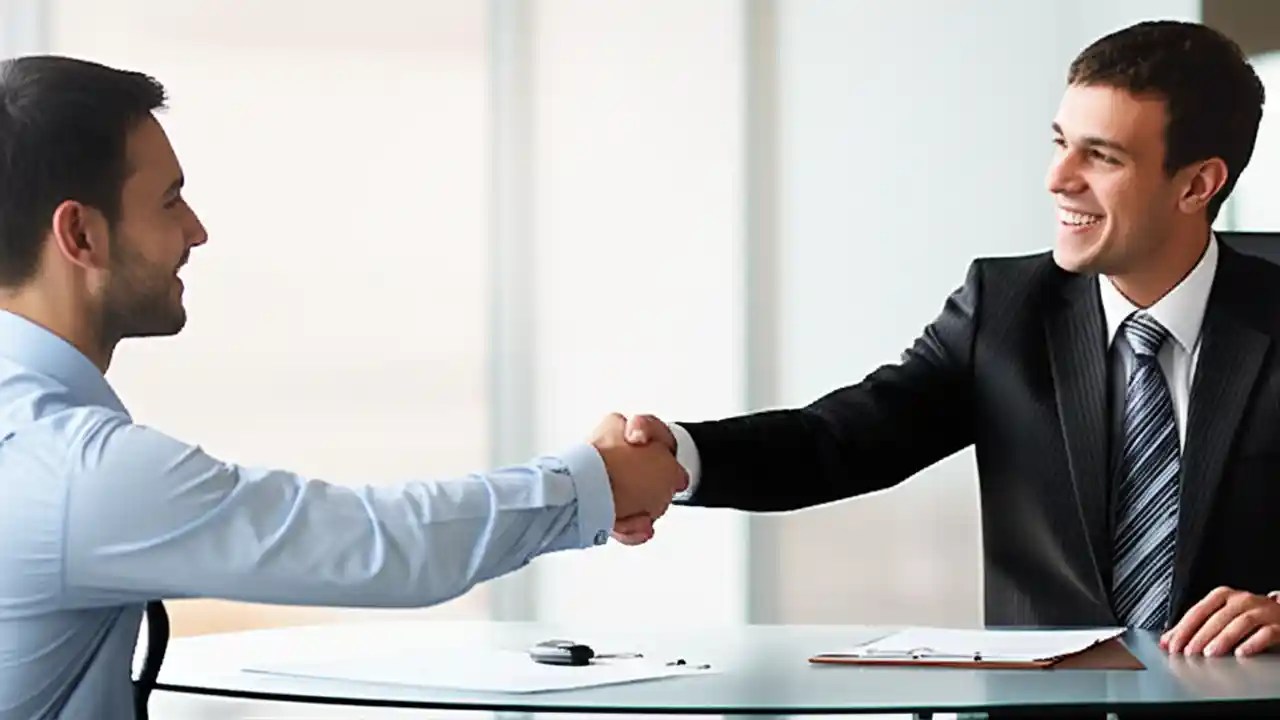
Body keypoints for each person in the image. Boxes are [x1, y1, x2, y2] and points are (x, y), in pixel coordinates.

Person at [0, 56, 686, 720]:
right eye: (170, 199)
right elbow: (380, 544)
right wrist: (595, 481)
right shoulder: (69, 471)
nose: (196, 230)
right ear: (81, 234)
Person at [615, 20, 1280, 658]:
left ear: (1197, 184)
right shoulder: (1005, 307)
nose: (1058, 178)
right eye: (1060, 143)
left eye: (1101, 156)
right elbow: (841, 439)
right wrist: (681, 456)